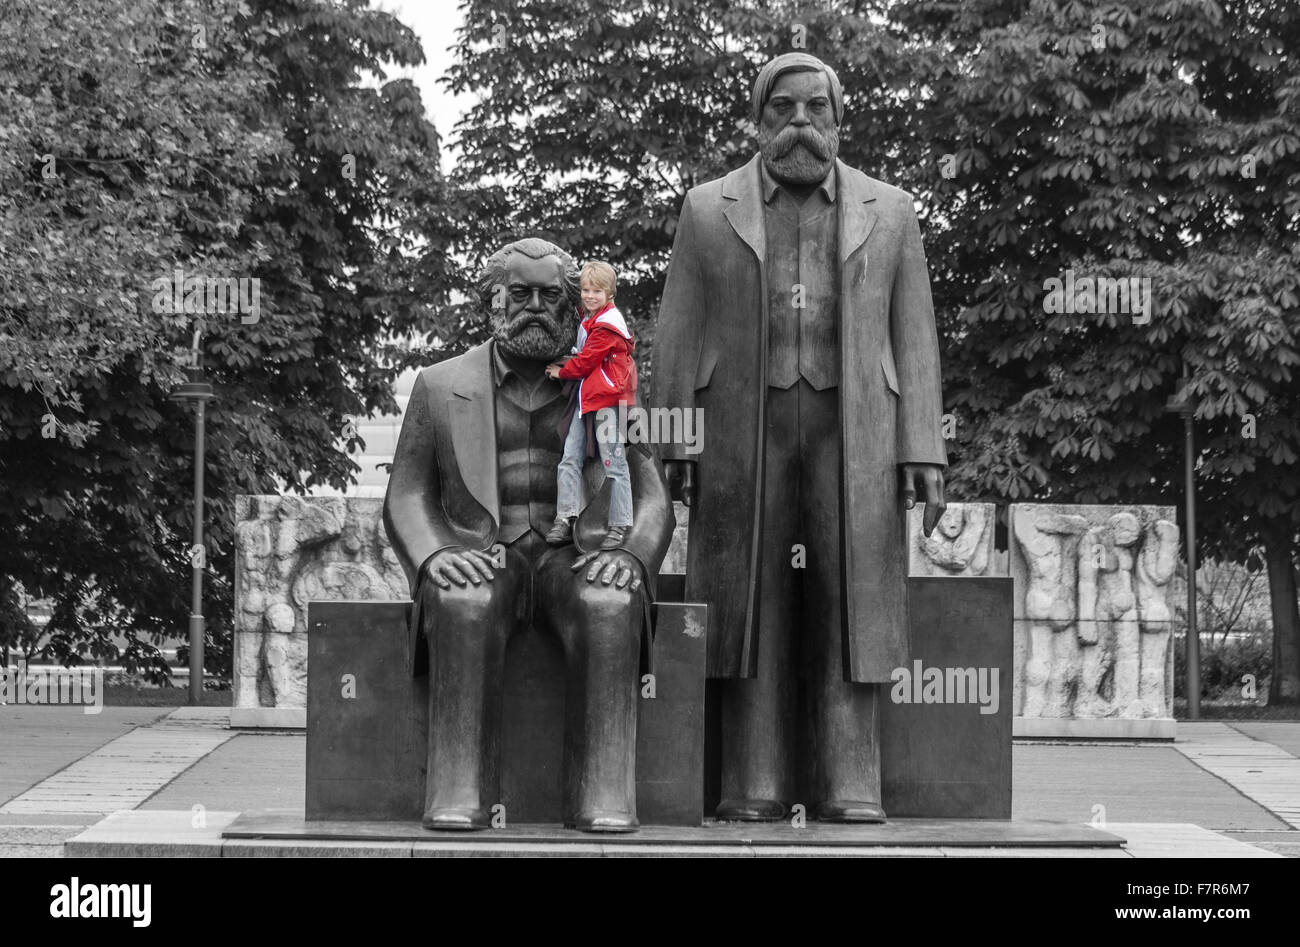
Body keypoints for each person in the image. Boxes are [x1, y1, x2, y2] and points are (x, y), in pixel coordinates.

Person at [650, 52, 947, 822]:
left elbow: (914, 333)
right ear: (758, 121)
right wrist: (671, 443)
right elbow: (678, 330)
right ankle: (753, 780)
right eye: (782, 108)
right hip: (739, 432)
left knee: (852, 601)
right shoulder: (706, 209)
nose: (800, 123)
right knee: (751, 604)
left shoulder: (893, 210)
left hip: (858, 433)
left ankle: (851, 781)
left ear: (840, 121)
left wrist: (922, 446)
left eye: (817, 108)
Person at [545, 261, 638, 551]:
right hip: (588, 399)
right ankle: (565, 516)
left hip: (607, 402)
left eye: (597, 291)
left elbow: (586, 363)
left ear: (609, 293)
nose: (589, 296)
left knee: (614, 464)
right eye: (585, 290)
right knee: (569, 457)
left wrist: (560, 372)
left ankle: (620, 523)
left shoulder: (607, 326)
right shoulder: (591, 318)